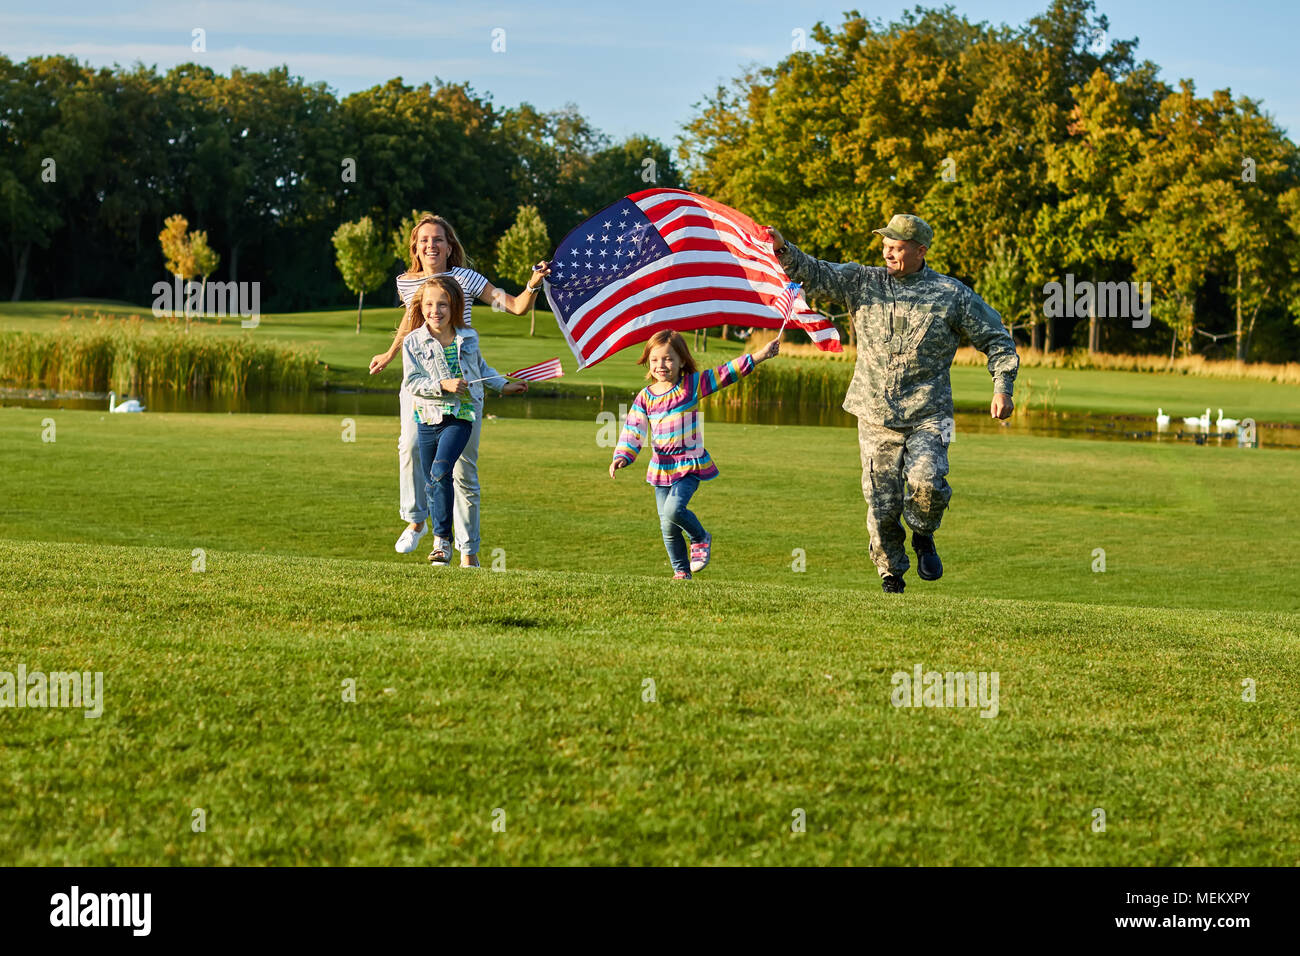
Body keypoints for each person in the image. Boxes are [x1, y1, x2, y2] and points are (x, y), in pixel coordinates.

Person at [765, 214, 1019, 594]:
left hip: (928, 414)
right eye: (885, 244)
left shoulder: (952, 295)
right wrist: (783, 248)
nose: (888, 251)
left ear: (920, 251)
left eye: (897, 246)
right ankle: (892, 576)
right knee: (882, 505)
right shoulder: (862, 281)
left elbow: (997, 339)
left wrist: (1002, 387)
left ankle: (922, 534)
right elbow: (814, 274)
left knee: (927, 484)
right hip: (874, 413)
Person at [369, 214, 550, 565]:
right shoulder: (405, 282)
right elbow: (410, 323)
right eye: (424, 240)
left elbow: (512, 305)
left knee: (463, 472)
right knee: (408, 447)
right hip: (422, 383)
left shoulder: (464, 278)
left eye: (438, 239)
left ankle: (469, 553)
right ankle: (416, 521)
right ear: (415, 247)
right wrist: (390, 354)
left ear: (450, 246)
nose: (431, 245)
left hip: (465, 383)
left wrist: (533, 283)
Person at [609, 329, 780, 580]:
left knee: (674, 511)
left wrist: (760, 355)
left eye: (668, 358)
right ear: (647, 361)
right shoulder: (645, 397)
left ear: (681, 361)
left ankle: (700, 537)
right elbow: (634, 429)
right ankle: (681, 572)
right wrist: (623, 455)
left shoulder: (691, 385)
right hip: (661, 468)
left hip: (689, 463)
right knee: (667, 526)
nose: (661, 365)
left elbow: (725, 373)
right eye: (655, 359)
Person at [402, 275, 526, 566]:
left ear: (454, 306)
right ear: (421, 307)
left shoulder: (467, 337)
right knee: (433, 480)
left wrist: (504, 386)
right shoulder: (412, 342)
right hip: (428, 416)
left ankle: (444, 543)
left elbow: (480, 368)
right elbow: (412, 382)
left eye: (443, 304)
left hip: (462, 414)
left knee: (442, 470)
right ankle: (442, 542)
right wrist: (442, 384)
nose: (436, 310)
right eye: (430, 304)